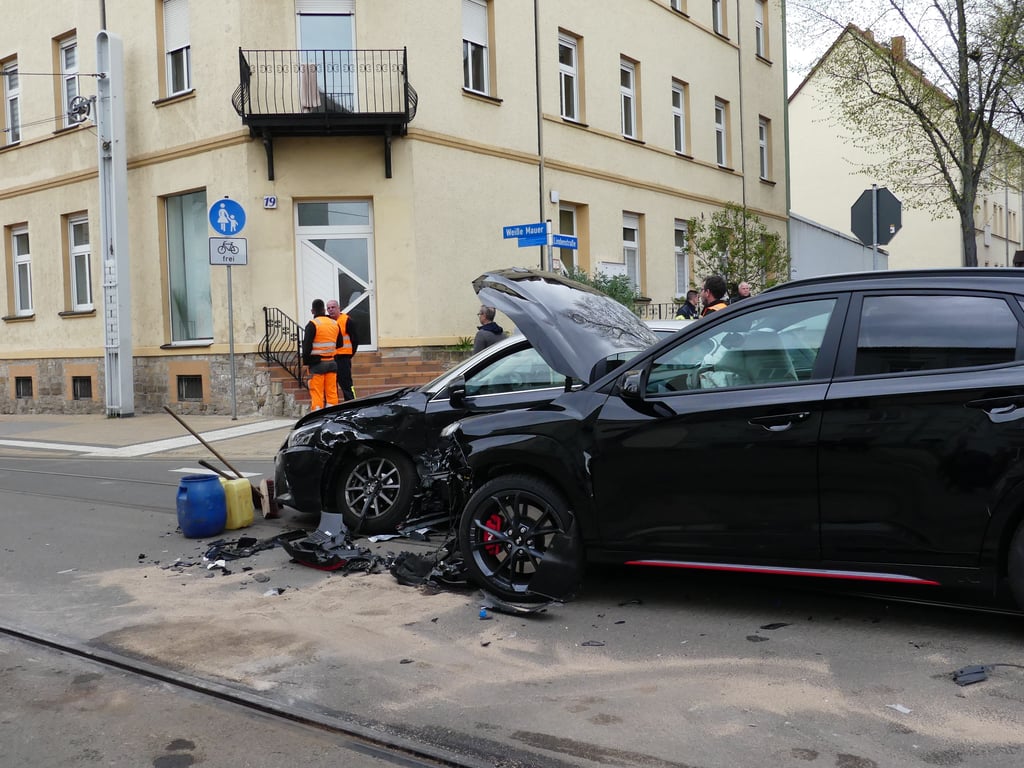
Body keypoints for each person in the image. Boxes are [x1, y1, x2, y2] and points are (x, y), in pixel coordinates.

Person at [302, 299, 342, 410]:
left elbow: (306, 348)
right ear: (324, 310)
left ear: (312, 311)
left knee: (317, 393)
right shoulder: (334, 323)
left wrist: (306, 362)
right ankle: (332, 414)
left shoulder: (312, 324)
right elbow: (340, 344)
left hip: (317, 364)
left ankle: (317, 415)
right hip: (332, 362)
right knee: (332, 392)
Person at [326, 298, 358, 401]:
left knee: (347, 384)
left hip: (343, 358)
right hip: (330, 358)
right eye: (328, 308)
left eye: (333, 307)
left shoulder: (347, 320)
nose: (331, 310)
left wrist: (349, 354)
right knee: (331, 386)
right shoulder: (326, 322)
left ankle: (351, 403)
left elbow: (355, 340)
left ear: (338, 308)